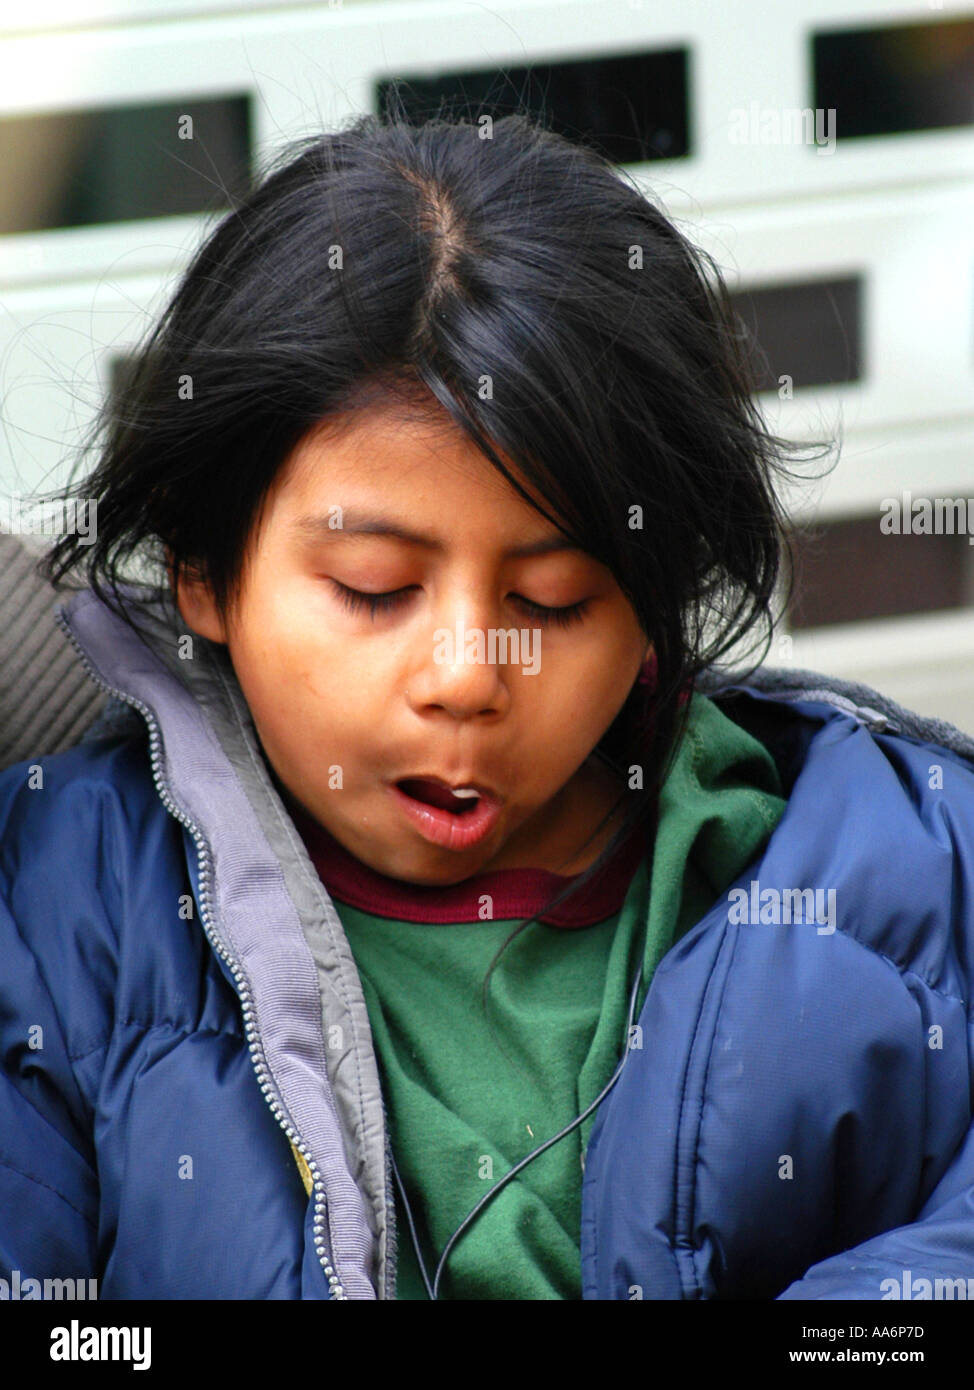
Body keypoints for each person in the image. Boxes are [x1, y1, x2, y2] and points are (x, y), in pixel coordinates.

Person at [2, 106, 974, 1302]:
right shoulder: (56, 914)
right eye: (373, 589)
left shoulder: (911, 876)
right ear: (203, 569)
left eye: (555, 600)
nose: (466, 673)